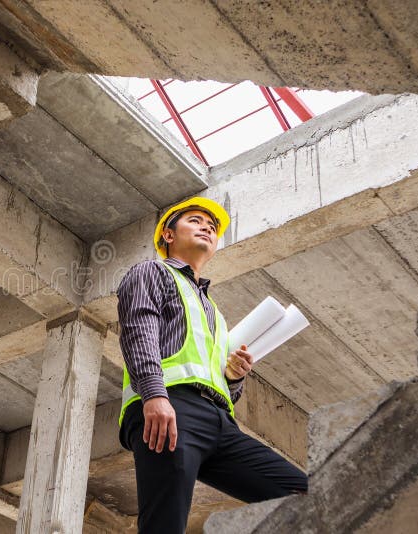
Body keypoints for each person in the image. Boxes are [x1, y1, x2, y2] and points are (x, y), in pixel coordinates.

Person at [117, 197, 307, 534]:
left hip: (220, 422)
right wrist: (153, 395)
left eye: (212, 227)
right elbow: (138, 330)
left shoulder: (213, 311)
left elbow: (216, 381)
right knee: (165, 524)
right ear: (169, 236)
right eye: (194, 220)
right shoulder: (152, 272)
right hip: (168, 409)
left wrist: (234, 378)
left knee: (304, 493)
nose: (207, 227)